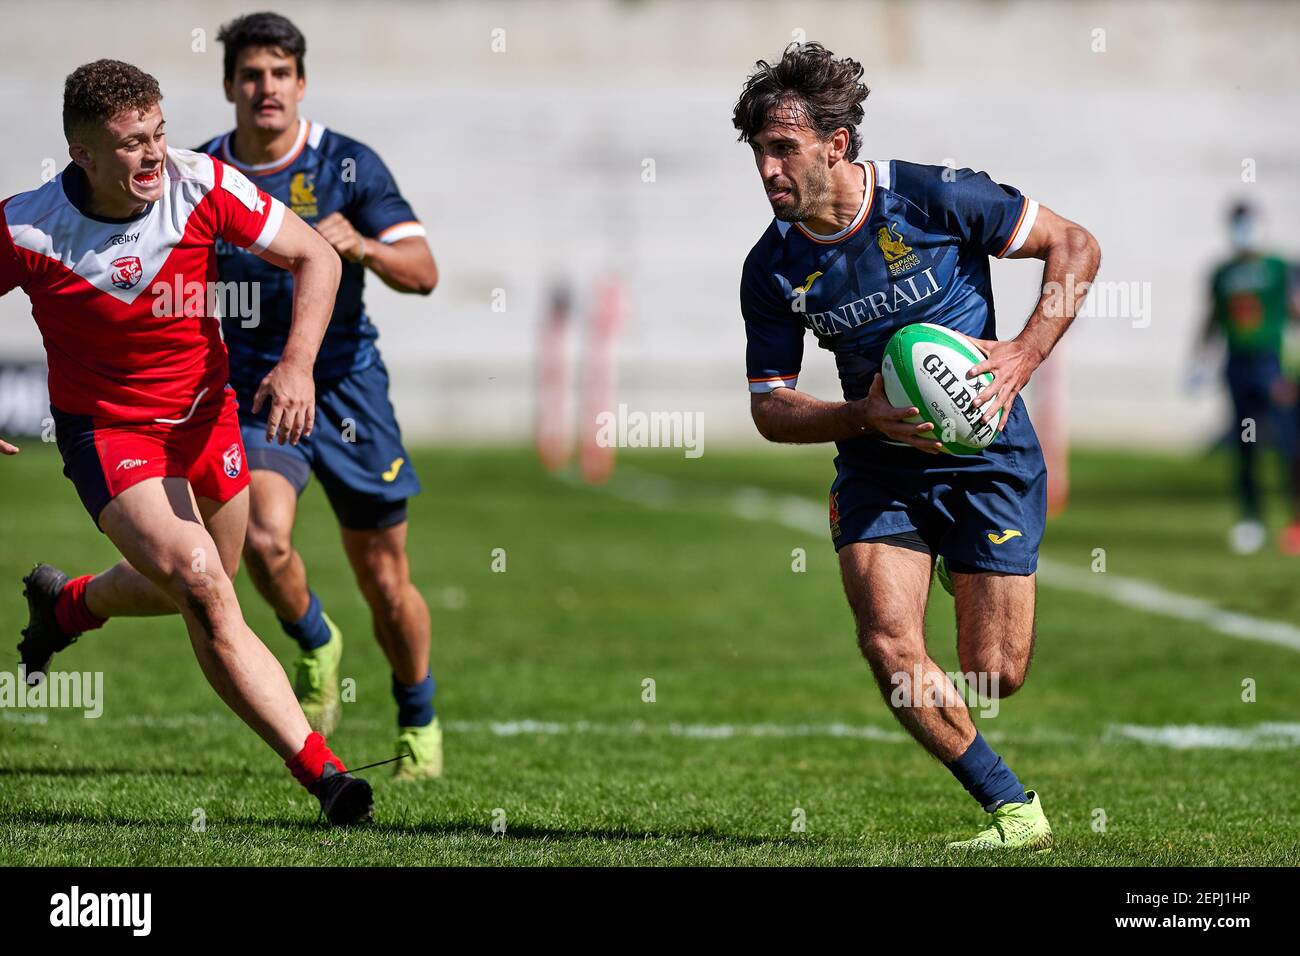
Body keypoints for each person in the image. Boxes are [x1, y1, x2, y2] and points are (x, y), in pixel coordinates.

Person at [733, 43, 1100, 850]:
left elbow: (1076, 247)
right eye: (758, 152)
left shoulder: (936, 197)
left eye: (782, 148)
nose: (767, 169)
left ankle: (963, 564)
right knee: (888, 642)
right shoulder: (772, 269)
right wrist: (859, 417)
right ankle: (1013, 809)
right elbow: (768, 407)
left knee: (995, 673)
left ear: (834, 144)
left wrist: (1025, 354)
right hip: (877, 468)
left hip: (987, 456)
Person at [5, 58, 372, 825]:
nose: (154, 155)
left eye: (160, 133)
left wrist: (298, 366)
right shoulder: (29, 227)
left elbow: (317, 255)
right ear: (83, 155)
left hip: (209, 419)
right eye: (133, 143)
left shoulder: (199, 181)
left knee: (208, 583)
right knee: (203, 581)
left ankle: (69, 606)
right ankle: (324, 774)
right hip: (108, 435)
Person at [195, 12, 442, 779]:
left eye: (278, 73)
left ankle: (418, 724)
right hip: (256, 389)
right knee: (264, 541)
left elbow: (424, 270)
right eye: (250, 74)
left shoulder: (347, 164)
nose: (265, 87)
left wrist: (362, 245)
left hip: (346, 388)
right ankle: (313, 640)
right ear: (230, 85)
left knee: (385, 579)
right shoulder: (203, 173)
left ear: (300, 83)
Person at [1199, 201, 1300, 555]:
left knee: (1290, 445)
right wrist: (1200, 361)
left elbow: (1295, 310)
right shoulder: (1222, 272)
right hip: (1237, 366)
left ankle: (1296, 521)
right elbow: (1212, 317)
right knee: (1246, 444)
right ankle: (1252, 517)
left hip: (1272, 364)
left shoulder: (1280, 268)